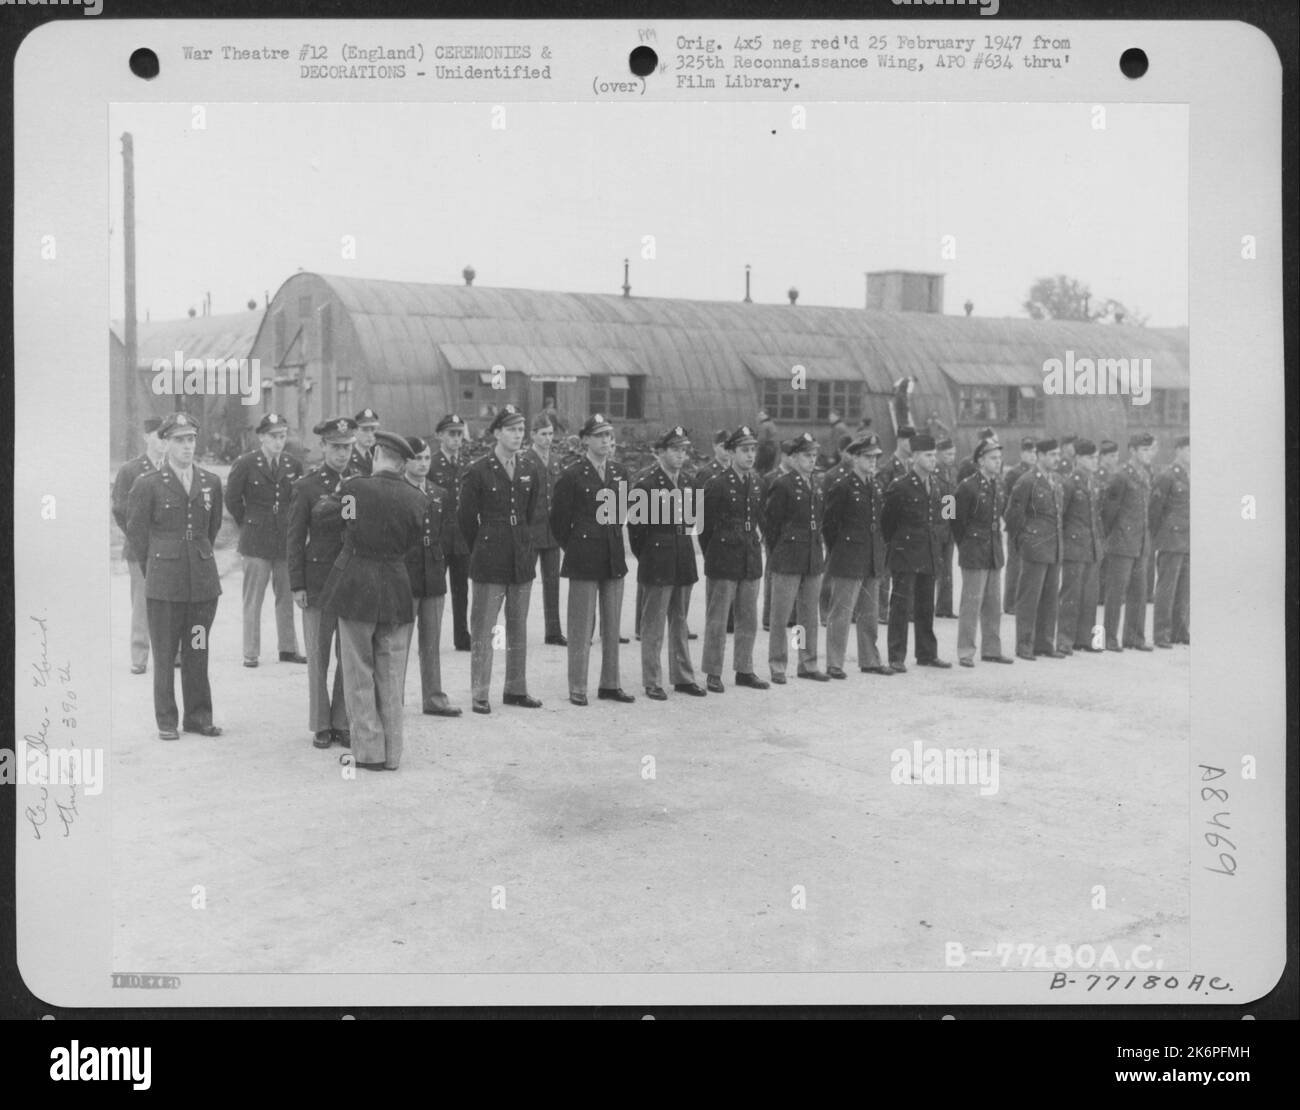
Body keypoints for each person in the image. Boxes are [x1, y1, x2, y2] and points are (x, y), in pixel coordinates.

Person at [318, 431, 427, 770]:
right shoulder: (418, 498)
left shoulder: (354, 489)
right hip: (396, 588)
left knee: (358, 670)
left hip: (355, 588)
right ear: (403, 462)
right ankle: (393, 753)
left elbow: (329, 518)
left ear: (378, 454)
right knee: (391, 674)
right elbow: (413, 543)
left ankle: (368, 752)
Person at [125, 412, 224, 740]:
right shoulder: (148, 484)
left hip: (201, 586)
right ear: (165, 443)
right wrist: (154, 567)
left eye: (191, 439)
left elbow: (212, 529)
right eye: (180, 440)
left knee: (197, 648)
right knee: (165, 654)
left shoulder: (210, 482)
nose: (187, 446)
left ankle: (198, 716)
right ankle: (167, 720)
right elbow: (137, 534)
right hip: (165, 585)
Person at [459, 404, 541, 714]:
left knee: (518, 626)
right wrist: (483, 545)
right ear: (497, 433)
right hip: (489, 558)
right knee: (485, 628)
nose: (518, 436)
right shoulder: (479, 470)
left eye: (521, 430)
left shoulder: (529, 469)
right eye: (512, 430)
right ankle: (480, 693)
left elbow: (530, 514)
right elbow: (466, 519)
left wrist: (523, 543)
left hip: (520, 558)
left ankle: (516, 689)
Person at [287, 416, 361, 749]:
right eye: (336, 447)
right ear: (323, 447)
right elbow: (294, 539)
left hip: (352, 582)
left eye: (347, 447)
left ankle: (341, 722)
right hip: (317, 582)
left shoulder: (363, 483)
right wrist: (297, 585)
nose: (342, 454)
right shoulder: (307, 487)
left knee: (349, 655)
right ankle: (320, 723)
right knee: (318, 656)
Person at [550, 413, 633, 705]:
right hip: (584, 557)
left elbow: (622, 512)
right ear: (585, 439)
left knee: (612, 625)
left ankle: (610, 684)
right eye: (599, 436)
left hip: (612, 556)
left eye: (609, 436)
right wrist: (576, 545)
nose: (606, 442)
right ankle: (578, 687)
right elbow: (559, 522)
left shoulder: (620, 472)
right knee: (581, 625)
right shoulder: (572, 474)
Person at [226, 412, 305, 668]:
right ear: (261, 437)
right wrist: (248, 524)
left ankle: (288, 648)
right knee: (254, 598)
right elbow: (232, 499)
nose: (278, 441)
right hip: (256, 540)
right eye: (273, 436)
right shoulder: (246, 463)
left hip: (284, 539)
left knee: (286, 595)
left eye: (282, 436)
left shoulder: (293, 465)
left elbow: (297, 501)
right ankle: (251, 651)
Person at [630, 427, 703, 700]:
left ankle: (683, 677)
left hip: (682, 558)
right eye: (675, 449)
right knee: (653, 624)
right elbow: (636, 533)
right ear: (660, 452)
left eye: (684, 450)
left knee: (680, 622)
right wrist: (649, 556)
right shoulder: (646, 484)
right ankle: (652, 680)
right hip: (657, 560)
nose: (681, 455)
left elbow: (693, 521)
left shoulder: (689, 483)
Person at [699, 425, 769, 692]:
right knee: (717, 620)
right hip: (723, 559)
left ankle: (744, 669)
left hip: (750, 558)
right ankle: (713, 672)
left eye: (753, 450)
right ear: (731, 452)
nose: (750, 456)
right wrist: (714, 555)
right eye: (744, 450)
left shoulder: (757, 483)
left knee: (748, 618)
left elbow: (760, 519)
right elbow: (703, 526)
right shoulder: (717, 484)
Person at [822, 434, 892, 678]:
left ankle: (870, 660)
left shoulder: (874, 485)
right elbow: (830, 525)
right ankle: (834, 662)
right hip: (848, 557)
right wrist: (840, 550)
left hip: (871, 556)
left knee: (869, 614)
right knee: (841, 613)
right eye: (867, 457)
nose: (873, 462)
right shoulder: (842, 486)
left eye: (875, 457)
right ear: (854, 458)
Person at [881, 433, 950, 670]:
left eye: (934, 455)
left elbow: (944, 518)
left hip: (929, 552)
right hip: (905, 553)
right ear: (916, 456)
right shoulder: (900, 486)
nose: (933, 460)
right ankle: (896, 656)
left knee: (925, 605)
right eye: (928, 455)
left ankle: (927, 653)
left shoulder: (938, 485)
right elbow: (886, 523)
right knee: (900, 606)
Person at [403, 436, 461, 718]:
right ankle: (394, 699)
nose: (424, 463)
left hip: (434, 572)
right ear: (405, 461)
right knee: (399, 641)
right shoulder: (397, 491)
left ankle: (434, 697)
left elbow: (446, 534)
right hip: (406, 573)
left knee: (432, 640)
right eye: (417, 458)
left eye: (427, 458)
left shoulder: (440, 494)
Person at [764, 432, 829, 683]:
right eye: (806, 455)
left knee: (807, 615)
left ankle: (807, 662)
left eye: (814, 455)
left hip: (812, 557)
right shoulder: (783, 484)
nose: (812, 460)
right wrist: (779, 552)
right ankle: (778, 664)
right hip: (788, 557)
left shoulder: (816, 484)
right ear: (793, 457)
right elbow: (772, 525)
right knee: (781, 616)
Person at [112, 416, 165, 674]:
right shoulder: (130, 470)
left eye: (167, 436)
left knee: (171, 602)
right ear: (146, 437)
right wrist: (140, 538)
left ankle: (172, 654)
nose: (163, 441)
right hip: (139, 549)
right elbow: (120, 510)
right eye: (158, 435)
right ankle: (139, 656)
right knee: (142, 604)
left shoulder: (175, 467)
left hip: (169, 548)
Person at [952, 437, 1012, 666]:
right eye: (993, 459)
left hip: (993, 551)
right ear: (980, 461)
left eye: (999, 458)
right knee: (971, 604)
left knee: (993, 605)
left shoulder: (997, 484)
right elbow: (952, 518)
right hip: (974, 551)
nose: (998, 463)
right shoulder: (967, 486)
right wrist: (964, 544)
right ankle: (966, 651)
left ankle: (992, 650)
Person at [1005, 438, 1065, 660]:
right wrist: (1023, 540)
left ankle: (1045, 643)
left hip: (1053, 548)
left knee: (1050, 598)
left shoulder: (1056, 480)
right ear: (1039, 455)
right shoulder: (1027, 481)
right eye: (1052, 455)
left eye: (1058, 455)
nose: (1057, 459)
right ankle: (1024, 645)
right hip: (1034, 548)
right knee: (1029, 599)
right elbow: (1013, 516)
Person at [1101, 432, 1157, 651]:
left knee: (1139, 593)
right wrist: (1114, 538)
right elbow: (1109, 512)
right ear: (1132, 451)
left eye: (1150, 449)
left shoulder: (1146, 473)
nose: (1148, 454)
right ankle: (1109, 637)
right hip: (1122, 543)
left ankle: (1134, 637)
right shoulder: (1121, 476)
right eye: (1144, 450)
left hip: (1140, 544)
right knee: (1116, 593)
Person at [428, 414, 472, 652]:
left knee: (461, 589)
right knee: (435, 589)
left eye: (459, 434)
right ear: (440, 436)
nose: (456, 439)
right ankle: (431, 637)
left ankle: (462, 635)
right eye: (451, 434)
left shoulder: (466, 464)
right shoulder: (431, 464)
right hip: (438, 536)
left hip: (461, 536)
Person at [1056, 439, 1104, 654]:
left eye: (1096, 457)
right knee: (1071, 595)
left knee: (1089, 595)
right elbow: (1061, 517)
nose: (1095, 461)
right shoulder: (1070, 483)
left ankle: (1084, 639)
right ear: (1078, 459)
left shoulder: (1092, 482)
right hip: (1074, 547)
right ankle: (1065, 640)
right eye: (1090, 458)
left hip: (1091, 547)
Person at [527, 413, 567, 646]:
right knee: (522, 583)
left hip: (551, 533)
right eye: (543, 434)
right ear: (533, 435)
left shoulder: (556, 460)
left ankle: (553, 631)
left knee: (553, 584)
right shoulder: (525, 460)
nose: (548, 439)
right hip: (531, 532)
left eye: (551, 434)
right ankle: (514, 630)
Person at [1149, 435, 1190, 648]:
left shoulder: (1193, 475)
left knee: (1184, 589)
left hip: (1188, 540)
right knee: (1167, 588)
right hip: (1171, 539)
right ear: (1179, 451)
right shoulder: (1167, 475)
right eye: (1190, 450)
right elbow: (1155, 509)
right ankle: (1161, 634)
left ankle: (1180, 631)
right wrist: (1158, 537)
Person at [876, 425, 915, 625]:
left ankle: (904, 611)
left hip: (906, 529)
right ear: (900, 440)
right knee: (885, 571)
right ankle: (881, 611)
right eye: (910, 441)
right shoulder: (888, 467)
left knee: (904, 570)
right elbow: (882, 499)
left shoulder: (911, 467)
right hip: (890, 528)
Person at [1001, 437, 1038, 615]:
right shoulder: (1014, 474)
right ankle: (1010, 603)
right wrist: (1013, 523)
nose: (1032, 455)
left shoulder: (1037, 473)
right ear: (1022, 453)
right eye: (1029, 452)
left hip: (1032, 527)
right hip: (1017, 526)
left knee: (1029, 565)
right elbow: (1006, 502)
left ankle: (1023, 602)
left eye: (1035, 452)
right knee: (1015, 565)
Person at [759, 440, 793, 632]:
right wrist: (768, 533)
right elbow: (764, 509)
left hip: (793, 535)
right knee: (773, 574)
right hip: (775, 533)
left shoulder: (799, 477)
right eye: (789, 455)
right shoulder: (770, 478)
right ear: (783, 456)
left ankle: (790, 616)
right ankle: (768, 618)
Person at [933, 437, 958, 618]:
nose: (952, 457)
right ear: (939, 454)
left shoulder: (952, 472)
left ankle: (944, 607)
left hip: (948, 528)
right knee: (933, 569)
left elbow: (951, 502)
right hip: (936, 528)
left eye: (953, 454)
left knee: (947, 569)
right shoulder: (934, 473)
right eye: (948, 454)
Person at [349, 408, 380, 476]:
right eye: (365, 430)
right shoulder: (348, 458)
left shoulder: (378, 457)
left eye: (372, 429)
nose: (369, 435)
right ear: (355, 432)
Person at [755, 410, 780, 475]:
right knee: (769, 468)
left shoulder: (764, 425)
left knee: (759, 468)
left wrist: (757, 448)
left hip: (765, 448)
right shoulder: (771, 423)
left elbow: (761, 439)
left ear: (765, 416)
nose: (759, 417)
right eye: (759, 415)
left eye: (761, 415)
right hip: (773, 448)